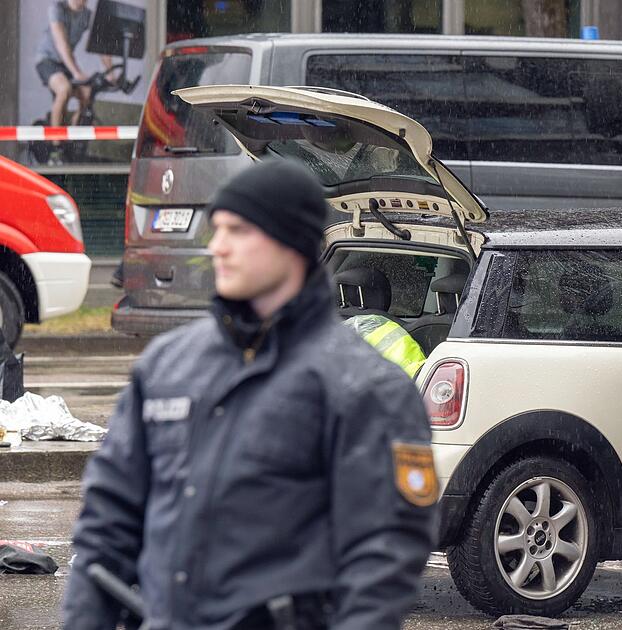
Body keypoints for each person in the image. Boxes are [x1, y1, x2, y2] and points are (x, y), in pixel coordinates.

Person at [63, 160, 437, 629]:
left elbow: (384, 558)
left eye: (238, 231)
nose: (217, 247)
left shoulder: (365, 389)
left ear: (291, 243)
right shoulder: (167, 366)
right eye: (217, 230)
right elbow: (106, 523)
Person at [35, 0, 114, 162]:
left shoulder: (87, 15)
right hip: (47, 61)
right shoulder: (57, 10)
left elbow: (101, 44)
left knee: (86, 93)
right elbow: (62, 45)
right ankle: (55, 148)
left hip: (65, 64)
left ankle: (71, 136)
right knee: (64, 90)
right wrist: (77, 73)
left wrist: (110, 71)